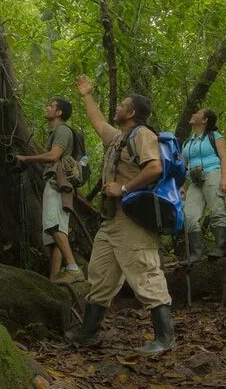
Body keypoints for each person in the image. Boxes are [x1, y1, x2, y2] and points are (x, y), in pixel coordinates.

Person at [65, 75, 176, 355]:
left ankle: (165, 339)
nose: (118, 108)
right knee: (100, 276)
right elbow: (99, 123)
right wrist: (86, 95)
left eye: (123, 106)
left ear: (133, 113)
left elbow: (154, 169)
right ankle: (87, 334)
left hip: (133, 221)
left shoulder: (142, 135)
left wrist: (123, 187)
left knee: (146, 276)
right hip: (111, 223)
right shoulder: (119, 138)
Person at [17, 98, 85, 284]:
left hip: (57, 184)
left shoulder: (61, 130)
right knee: (55, 234)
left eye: (51, 106)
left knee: (53, 226)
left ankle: (73, 268)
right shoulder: (56, 131)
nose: (47, 107)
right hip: (59, 186)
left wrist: (26, 159)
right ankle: (54, 279)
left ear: (59, 113)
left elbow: (54, 155)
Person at [180, 108, 226, 263]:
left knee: (217, 209)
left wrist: (225, 179)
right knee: (188, 215)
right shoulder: (188, 142)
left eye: (198, 113)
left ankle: (220, 248)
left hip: (213, 174)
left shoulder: (215, 136)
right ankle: (197, 253)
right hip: (195, 180)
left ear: (204, 120)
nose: (193, 114)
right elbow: (183, 166)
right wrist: (182, 186)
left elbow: (223, 158)